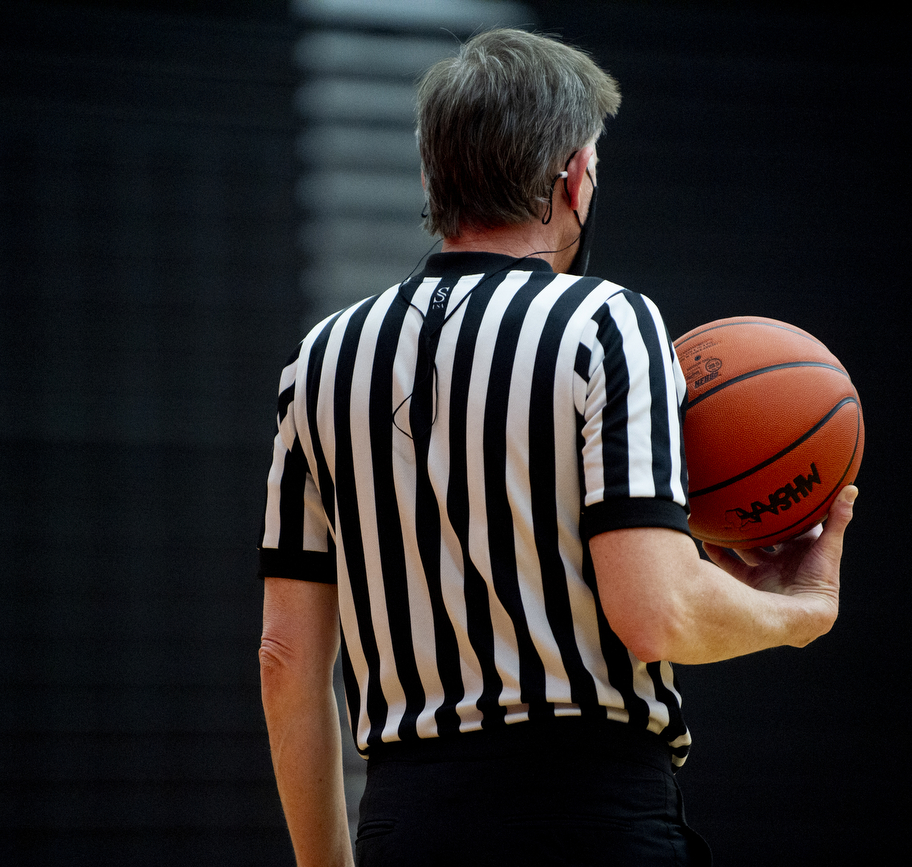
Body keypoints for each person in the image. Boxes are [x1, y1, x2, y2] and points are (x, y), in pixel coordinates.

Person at [258, 27, 856, 866]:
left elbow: (285, 657)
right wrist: (797, 613)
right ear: (573, 175)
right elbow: (654, 610)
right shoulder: (606, 321)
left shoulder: (318, 360)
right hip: (587, 814)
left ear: (435, 177)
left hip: (409, 823)